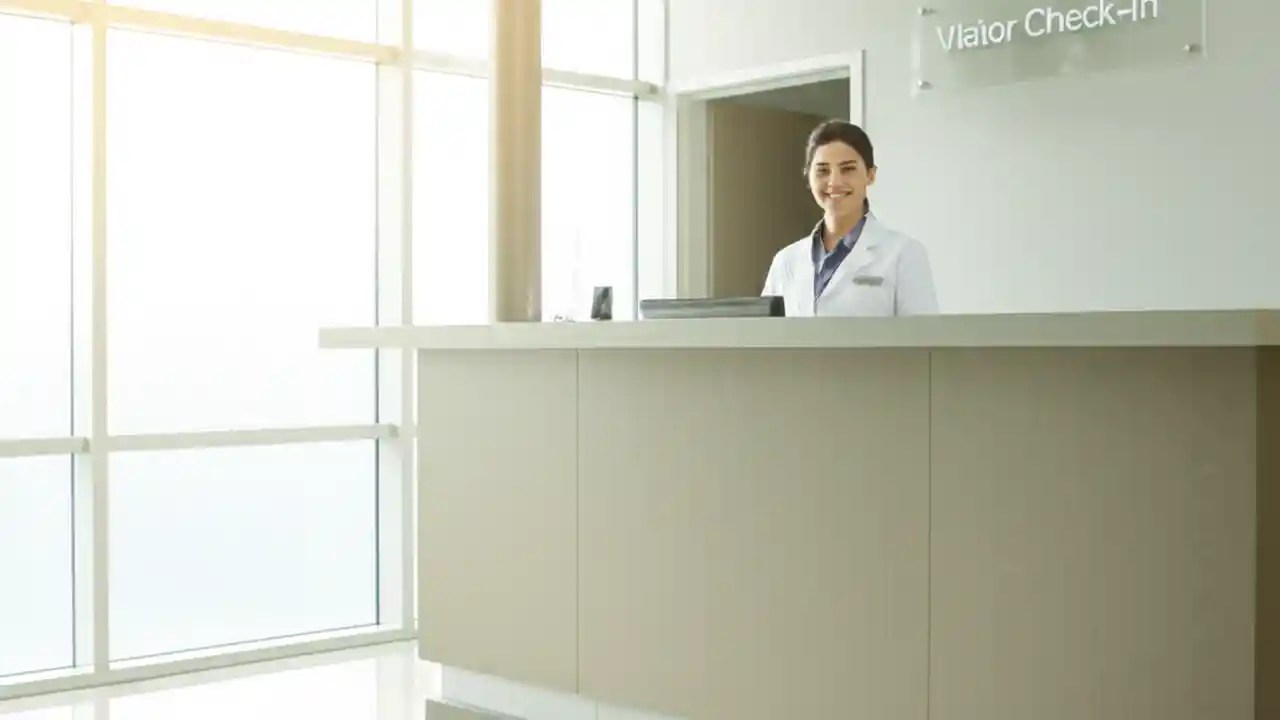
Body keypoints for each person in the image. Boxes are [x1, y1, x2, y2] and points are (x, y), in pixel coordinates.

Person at [762, 120, 938, 316]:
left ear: (871, 175)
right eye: (823, 171)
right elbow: (763, 339)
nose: (834, 182)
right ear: (808, 177)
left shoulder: (904, 254)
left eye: (847, 169)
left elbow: (923, 342)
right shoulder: (786, 261)